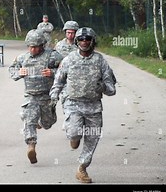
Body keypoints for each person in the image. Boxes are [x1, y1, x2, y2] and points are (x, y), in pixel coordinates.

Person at [49, 27, 116, 183]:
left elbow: (112, 89)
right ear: (77, 42)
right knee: (73, 133)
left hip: (93, 107)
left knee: (93, 138)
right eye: (81, 39)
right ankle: (74, 137)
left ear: (92, 41)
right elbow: (58, 81)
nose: (84, 42)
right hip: (74, 104)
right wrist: (53, 97)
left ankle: (82, 168)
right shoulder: (69, 60)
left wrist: (103, 87)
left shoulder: (100, 61)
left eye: (87, 39)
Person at [9, 29, 63, 164]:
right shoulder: (23, 58)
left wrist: (53, 72)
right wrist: (18, 73)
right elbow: (12, 69)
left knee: (48, 123)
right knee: (29, 119)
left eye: (35, 47)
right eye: (30, 47)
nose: (32, 49)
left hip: (47, 97)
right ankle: (31, 146)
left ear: (42, 45)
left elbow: (66, 69)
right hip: (31, 96)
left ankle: (40, 122)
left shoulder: (53, 56)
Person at [54, 21, 79, 130]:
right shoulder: (59, 45)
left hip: (77, 76)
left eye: (73, 33)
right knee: (65, 98)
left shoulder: (80, 44)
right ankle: (68, 118)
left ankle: (76, 119)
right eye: (68, 32)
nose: (70, 35)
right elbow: (54, 60)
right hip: (63, 77)